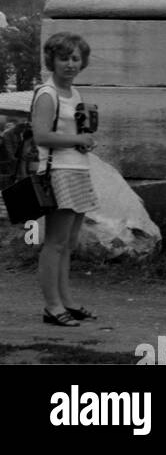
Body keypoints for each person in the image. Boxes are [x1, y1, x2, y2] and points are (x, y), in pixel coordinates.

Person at [30, 32, 99, 326]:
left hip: (78, 170)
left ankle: (67, 301)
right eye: (63, 58)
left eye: (75, 58)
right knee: (55, 242)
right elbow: (41, 136)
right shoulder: (47, 94)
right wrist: (75, 139)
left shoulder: (75, 94)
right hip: (57, 171)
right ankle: (52, 306)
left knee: (69, 243)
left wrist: (84, 141)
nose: (70, 64)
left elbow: (69, 134)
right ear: (52, 61)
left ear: (82, 62)